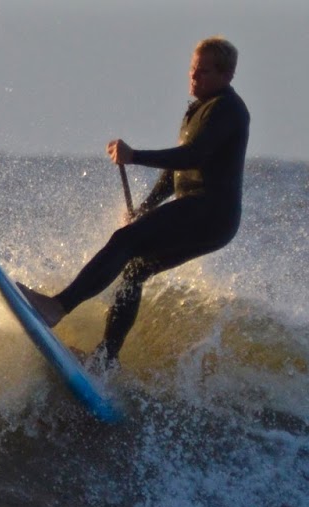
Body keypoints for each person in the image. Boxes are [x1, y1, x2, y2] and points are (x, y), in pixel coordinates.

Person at [18, 36, 249, 364]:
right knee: (134, 271)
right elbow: (174, 174)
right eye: (193, 70)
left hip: (209, 212)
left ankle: (57, 306)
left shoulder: (227, 109)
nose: (194, 77)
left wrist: (134, 155)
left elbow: (193, 156)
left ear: (226, 76)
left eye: (204, 72)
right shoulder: (199, 110)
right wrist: (145, 209)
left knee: (124, 241)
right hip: (206, 217)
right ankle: (104, 361)